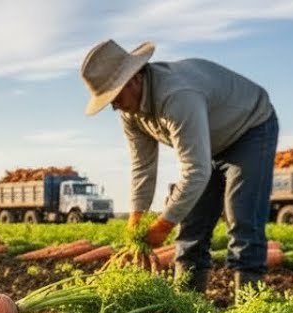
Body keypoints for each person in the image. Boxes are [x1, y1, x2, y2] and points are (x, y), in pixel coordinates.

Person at [81, 39, 278, 294]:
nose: (114, 105)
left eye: (115, 96)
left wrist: (163, 225)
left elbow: (196, 170)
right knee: (192, 226)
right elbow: (142, 167)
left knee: (242, 219)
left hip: (250, 129)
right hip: (210, 143)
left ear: (134, 79)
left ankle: (250, 309)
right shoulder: (130, 113)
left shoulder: (177, 96)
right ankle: (186, 303)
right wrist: (136, 217)